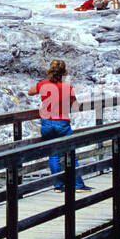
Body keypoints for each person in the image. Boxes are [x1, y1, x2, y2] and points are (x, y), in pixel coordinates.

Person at [35, 59, 89, 191]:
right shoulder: (67, 87)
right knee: (70, 153)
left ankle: (58, 185)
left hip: (47, 123)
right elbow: (75, 105)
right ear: (64, 72)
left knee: (53, 154)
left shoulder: (43, 84)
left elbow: (30, 91)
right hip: (62, 123)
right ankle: (78, 184)